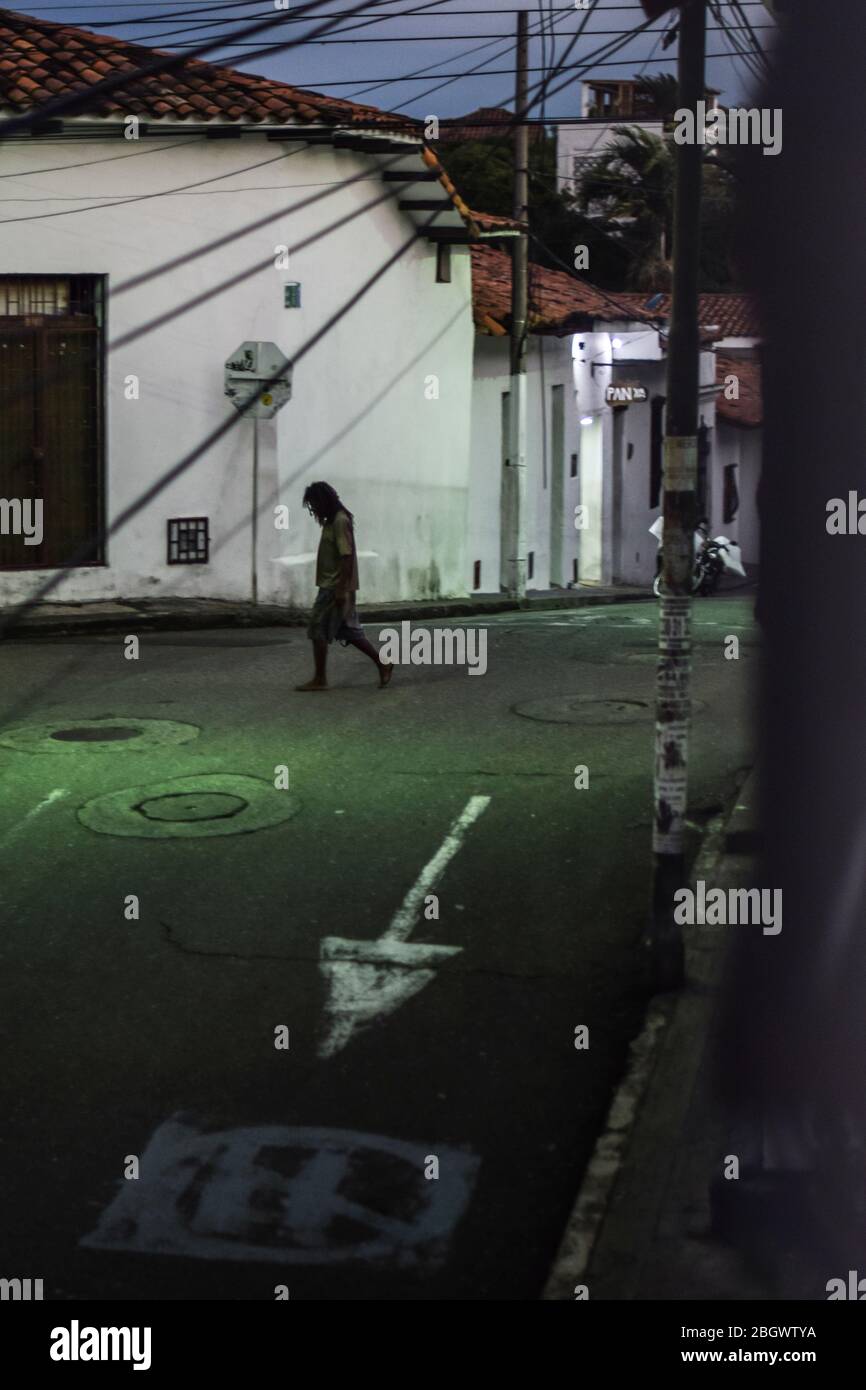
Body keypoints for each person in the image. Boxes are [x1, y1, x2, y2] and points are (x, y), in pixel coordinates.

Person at [296, 481, 393, 692]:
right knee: (349, 632)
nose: (314, 510)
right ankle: (383, 663)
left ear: (323, 501)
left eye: (314, 505)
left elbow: (346, 557)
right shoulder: (332, 521)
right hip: (332, 586)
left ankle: (320, 679)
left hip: (334, 587)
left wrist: (341, 590)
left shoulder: (340, 521)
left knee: (317, 629)